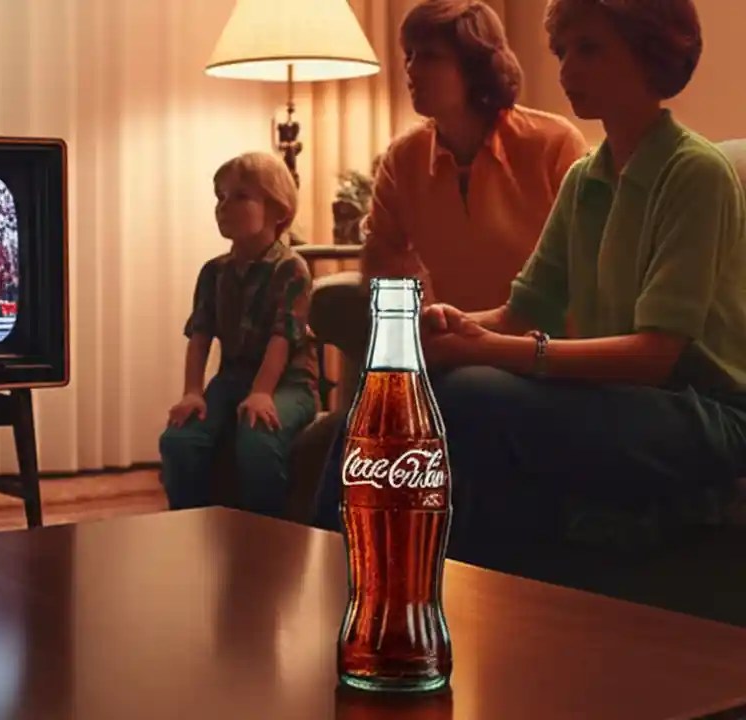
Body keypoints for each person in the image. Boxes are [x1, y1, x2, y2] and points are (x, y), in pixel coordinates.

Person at [313, 0, 746, 567]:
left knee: (470, 393)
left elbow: (656, 356)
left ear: (651, 51)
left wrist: (492, 349)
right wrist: (461, 325)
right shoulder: (584, 179)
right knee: (395, 389)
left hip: (705, 411)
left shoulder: (695, 172)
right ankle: (331, 571)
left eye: (589, 49)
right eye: (562, 52)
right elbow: (523, 309)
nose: (567, 69)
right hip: (626, 399)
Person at [362, 0, 590, 311]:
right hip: (452, 344)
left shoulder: (553, 144)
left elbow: (589, 269)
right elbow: (382, 261)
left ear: (475, 67)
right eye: (409, 55)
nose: (411, 69)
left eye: (429, 56)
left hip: (540, 347)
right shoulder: (403, 159)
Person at [160, 152, 318, 518]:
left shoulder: (291, 269)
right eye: (220, 197)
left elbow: (283, 337)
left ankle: (270, 535)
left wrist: (262, 393)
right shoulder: (214, 272)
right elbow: (199, 335)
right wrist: (193, 392)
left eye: (239, 196)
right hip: (232, 379)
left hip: (288, 383)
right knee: (179, 441)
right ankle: (191, 526)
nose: (223, 206)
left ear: (278, 211)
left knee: (257, 441)